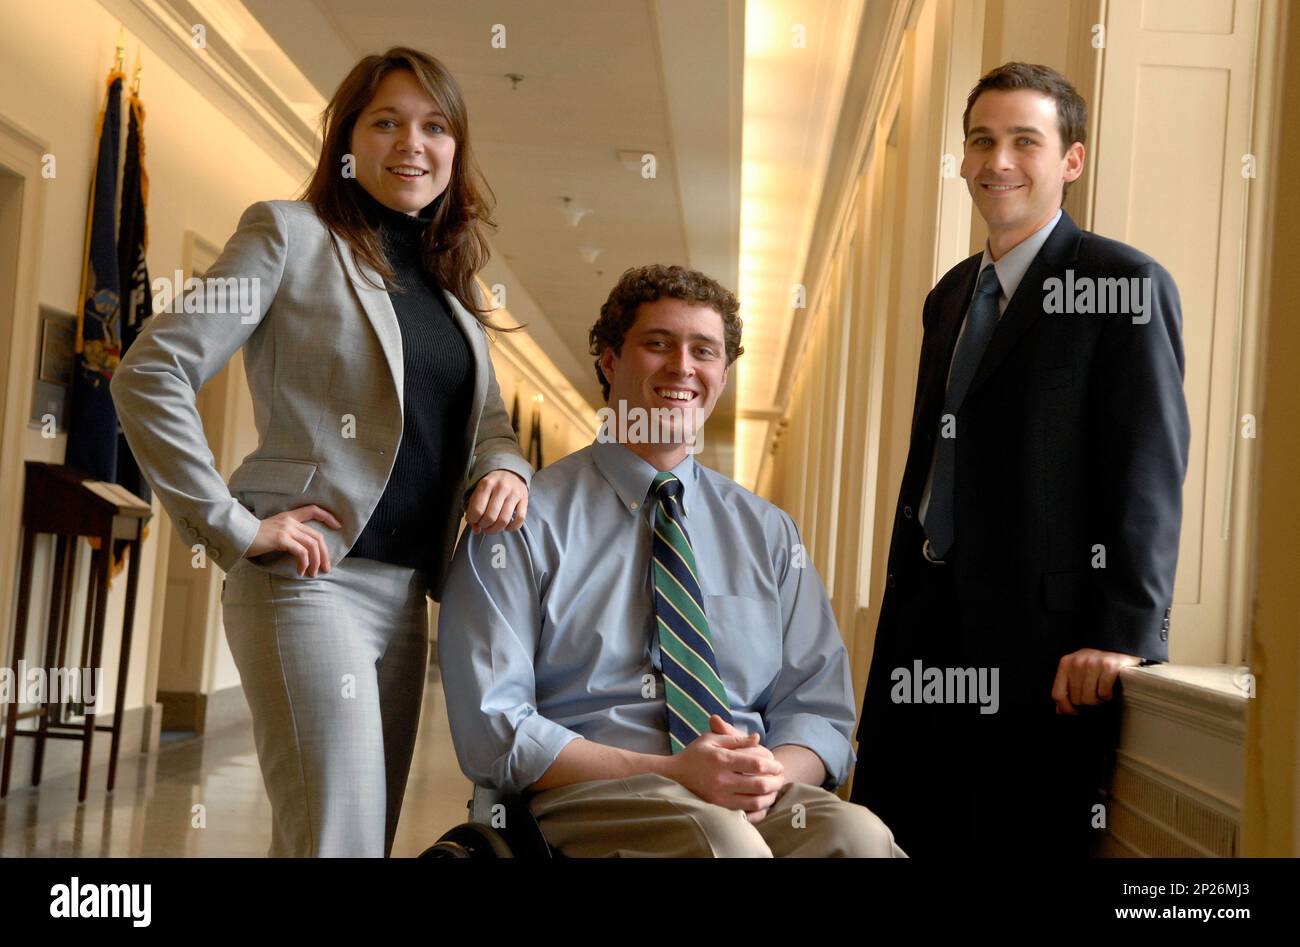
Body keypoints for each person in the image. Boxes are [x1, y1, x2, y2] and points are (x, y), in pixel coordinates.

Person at [111, 47, 531, 857]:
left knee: (348, 837)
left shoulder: (451, 285)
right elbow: (150, 369)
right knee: (337, 838)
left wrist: (506, 464)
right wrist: (231, 524)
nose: (412, 142)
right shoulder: (288, 235)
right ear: (346, 141)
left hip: (408, 598)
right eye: (386, 122)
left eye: (434, 126)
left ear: (456, 149)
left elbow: (489, 424)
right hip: (309, 582)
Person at [439, 264, 905, 857]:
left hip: (745, 796)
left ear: (723, 374)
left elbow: (819, 710)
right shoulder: (521, 520)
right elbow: (494, 727)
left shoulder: (767, 531)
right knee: (723, 844)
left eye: (704, 351)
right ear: (609, 361)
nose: (683, 366)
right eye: (658, 344)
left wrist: (765, 777)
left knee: (858, 836)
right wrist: (674, 771)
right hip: (583, 796)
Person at [849, 62, 1190, 857]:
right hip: (920, 626)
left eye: (1023, 141)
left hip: (1040, 650)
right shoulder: (948, 297)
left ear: (1070, 160)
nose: (997, 161)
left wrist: (1126, 627)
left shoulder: (1123, 284)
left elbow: (1148, 463)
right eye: (981, 140)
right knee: (893, 836)